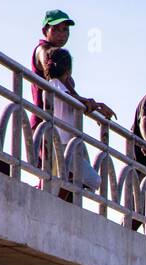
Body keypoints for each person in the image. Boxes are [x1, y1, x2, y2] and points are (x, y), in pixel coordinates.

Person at [30, 10, 116, 130]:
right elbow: (53, 72)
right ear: (45, 31)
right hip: (45, 123)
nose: (62, 34)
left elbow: (67, 92)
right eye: (56, 29)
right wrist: (89, 103)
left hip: (61, 125)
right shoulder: (43, 50)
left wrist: (93, 106)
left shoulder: (62, 59)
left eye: (65, 29)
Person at [41, 48, 100, 196]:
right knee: (94, 180)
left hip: (69, 144)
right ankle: (61, 197)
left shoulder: (58, 85)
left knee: (77, 178)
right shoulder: (54, 84)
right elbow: (67, 96)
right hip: (63, 143)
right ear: (67, 71)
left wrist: (91, 104)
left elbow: (71, 98)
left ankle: (62, 195)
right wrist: (90, 102)